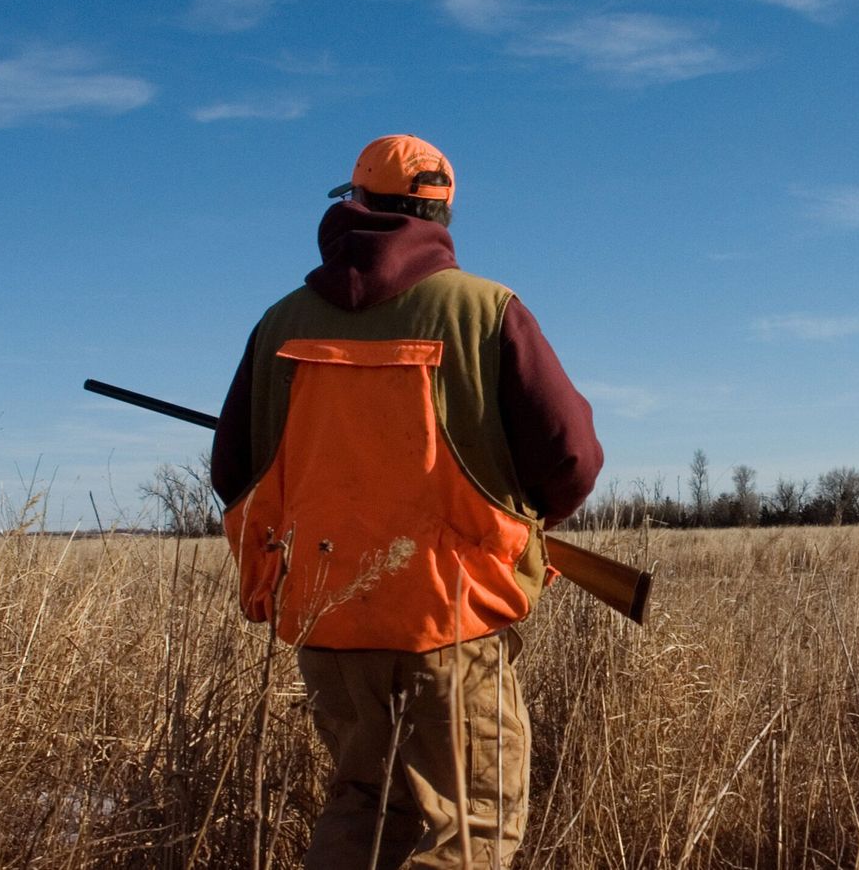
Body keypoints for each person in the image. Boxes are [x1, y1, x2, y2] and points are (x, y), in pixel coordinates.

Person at [211, 133, 603, 869]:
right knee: (471, 824)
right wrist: (515, 520)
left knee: (366, 802)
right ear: (440, 215)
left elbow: (233, 470)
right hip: (451, 621)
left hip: (329, 622)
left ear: (354, 205)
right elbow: (572, 459)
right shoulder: (488, 311)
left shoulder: (280, 323)